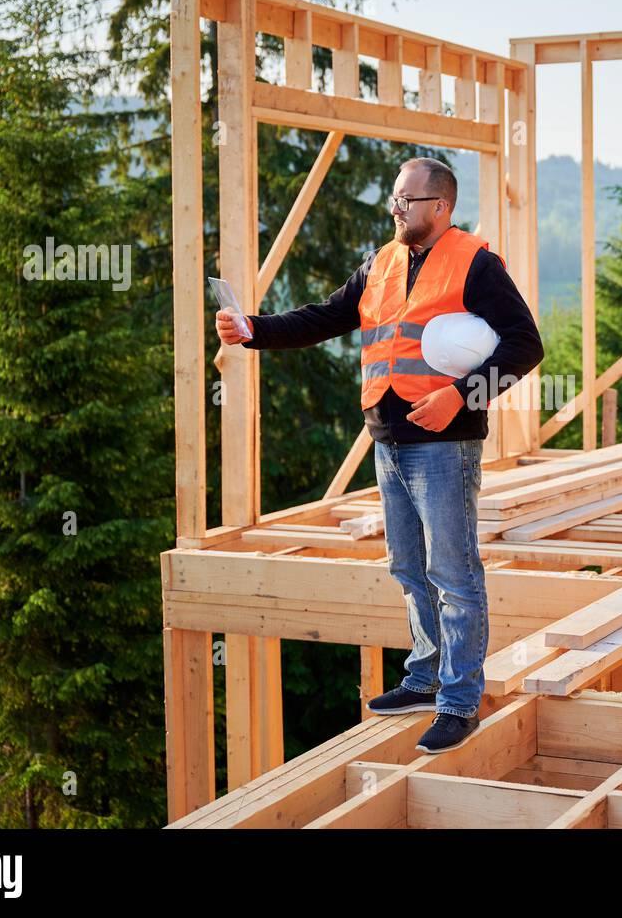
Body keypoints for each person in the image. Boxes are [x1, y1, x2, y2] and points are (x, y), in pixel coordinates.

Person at [215, 157, 544, 753]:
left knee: (454, 574)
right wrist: (253, 329)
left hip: (446, 443)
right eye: (393, 198)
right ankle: (423, 679)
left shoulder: (477, 264)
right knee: (408, 569)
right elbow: (324, 317)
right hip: (386, 440)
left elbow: (527, 344)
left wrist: (462, 396)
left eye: (408, 201)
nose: (396, 209)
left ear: (441, 207)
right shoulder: (380, 264)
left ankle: (460, 700)